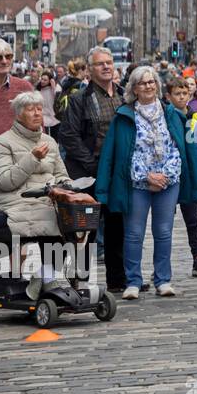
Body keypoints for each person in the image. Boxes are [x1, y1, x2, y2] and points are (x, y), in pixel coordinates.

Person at [96, 65, 197, 300]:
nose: (148, 86)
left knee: (163, 232)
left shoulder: (172, 114)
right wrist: (147, 176)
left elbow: (180, 148)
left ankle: (163, 279)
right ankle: (133, 280)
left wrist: (165, 175)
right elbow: (122, 153)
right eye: (142, 82)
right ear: (134, 88)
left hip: (168, 181)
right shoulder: (124, 116)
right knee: (134, 233)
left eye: (151, 82)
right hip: (137, 182)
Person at [58, 46, 126, 291]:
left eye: (109, 62)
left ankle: (117, 280)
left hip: (118, 173)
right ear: (89, 70)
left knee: (117, 226)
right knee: (85, 232)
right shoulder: (80, 99)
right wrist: (93, 165)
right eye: (100, 64)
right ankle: (80, 282)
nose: (106, 66)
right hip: (88, 174)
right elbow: (69, 136)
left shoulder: (124, 96)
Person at [0, 92, 72, 299]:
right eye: (31, 109)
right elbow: (4, 180)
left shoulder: (50, 141)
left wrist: (67, 187)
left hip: (46, 202)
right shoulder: (3, 142)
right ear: (19, 115)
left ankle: (43, 278)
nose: (37, 113)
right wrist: (32, 158)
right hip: (17, 202)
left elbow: (61, 175)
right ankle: (45, 279)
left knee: (71, 221)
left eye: (39, 108)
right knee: (52, 220)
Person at [165, 78, 197, 280]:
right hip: (169, 177)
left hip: (191, 176)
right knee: (165, 222)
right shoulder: (165, 117)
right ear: (168, 97)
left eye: (185, 93)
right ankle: (162, 263)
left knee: (193, 221)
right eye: (177, 93)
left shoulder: (195, 117)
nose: (182, 97)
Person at [0, 39, 33, 140]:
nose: (4, 61)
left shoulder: (24, 87)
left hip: (17, 152)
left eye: (8, 56)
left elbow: (36, 122)